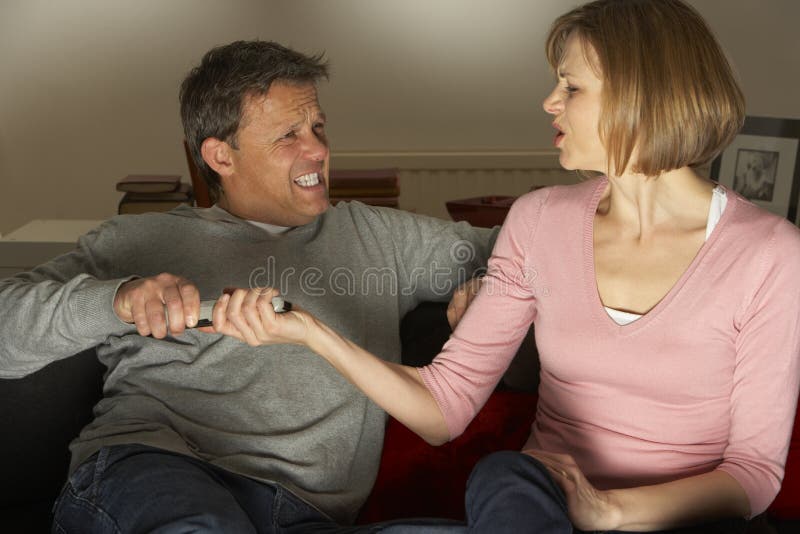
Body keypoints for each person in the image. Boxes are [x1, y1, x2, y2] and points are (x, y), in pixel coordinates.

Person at [210, 1, 800, 532]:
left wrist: (615, 511)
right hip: (542, 511)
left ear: (640, 95)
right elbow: (443, 407)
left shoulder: (768, 252)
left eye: (571, 87)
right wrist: (310, 332)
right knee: (503, 474)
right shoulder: (540, 220)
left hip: (684, 519)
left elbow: (752, 473)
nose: (550, 101)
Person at [0, 41, 498, 532]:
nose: (319, 150)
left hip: (307, 511)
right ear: (221, 156)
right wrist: (117, 300)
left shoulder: (381, 237)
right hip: (157, 470)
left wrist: (489, 289)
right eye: (289, 136)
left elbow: (528, 253)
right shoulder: (136, 239)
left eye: (318, 127)